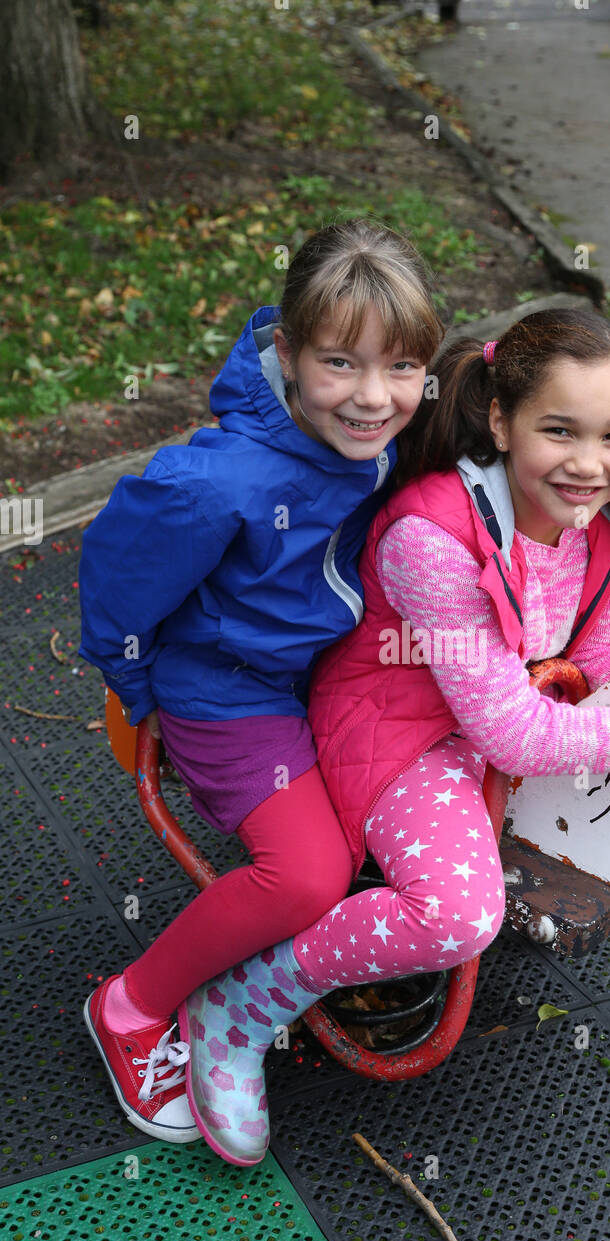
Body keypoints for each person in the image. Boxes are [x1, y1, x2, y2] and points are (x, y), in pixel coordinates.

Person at [176, 306, 610, 1166]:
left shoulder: (605, 524)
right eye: (559, 431)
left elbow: (605, 648)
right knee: (457, 915)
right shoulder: (433, 538)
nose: (588, 465)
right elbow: (513, 737)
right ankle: (246, 999)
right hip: (404, 738)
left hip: (507, 719)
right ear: (502, 421)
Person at [76, 219, 444, 1143]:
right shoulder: (217, 482)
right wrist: (143, 695)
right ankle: (129, 1007)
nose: (372, 398)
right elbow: (115, 586)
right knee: (307, 876)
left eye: (400, 368)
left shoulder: (391, 434)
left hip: (322, 672)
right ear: (286, 352)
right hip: (229, 694)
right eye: (340, 365)